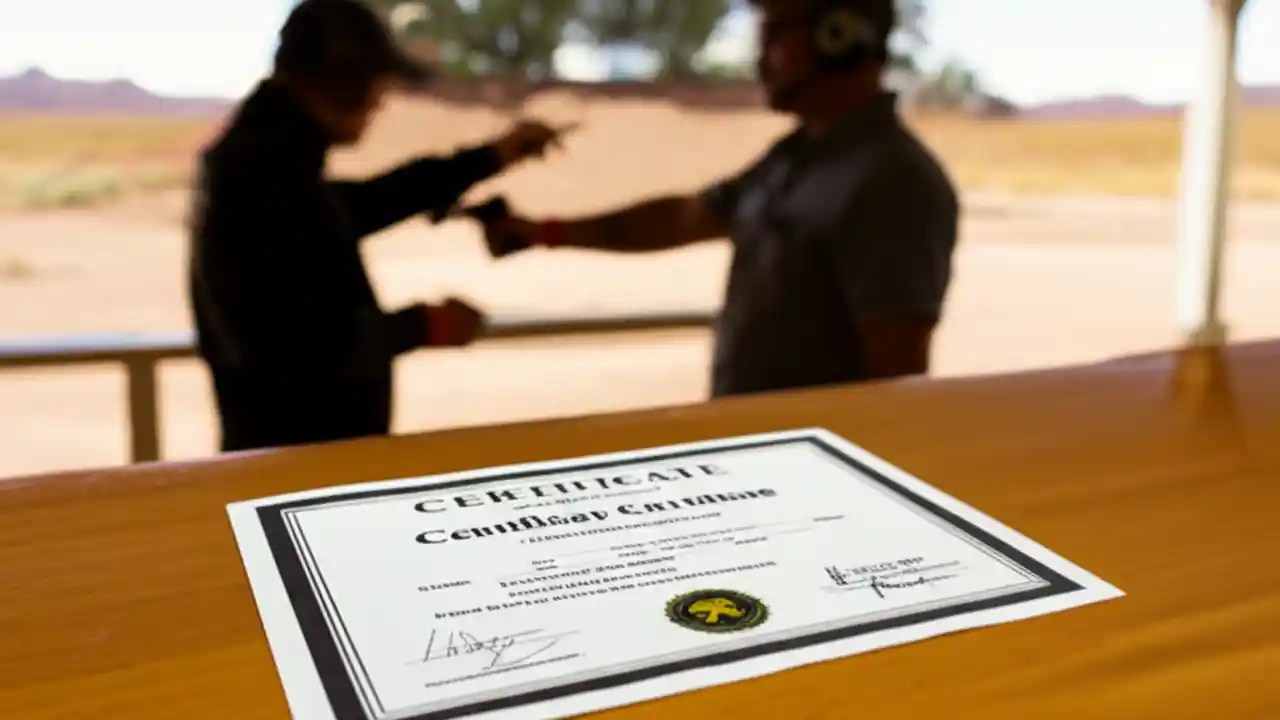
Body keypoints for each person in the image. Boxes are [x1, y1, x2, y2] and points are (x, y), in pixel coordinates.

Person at [483, 0, 958, 398]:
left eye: (775, 37)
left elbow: (896, 377)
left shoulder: (895, 182)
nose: (760, 59)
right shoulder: (794, 157)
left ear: (839, 37)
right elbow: (686, 217)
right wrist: (542, 232)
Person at [189, 0, 564, 452]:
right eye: (374, 81)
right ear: (340, 80)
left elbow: (352, 208)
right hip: (294, 463)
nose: (381, 98)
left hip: (290, 455)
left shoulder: (267, 163)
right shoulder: (258, 175)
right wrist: (425, 326)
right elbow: (291, 346)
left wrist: (490, 157)